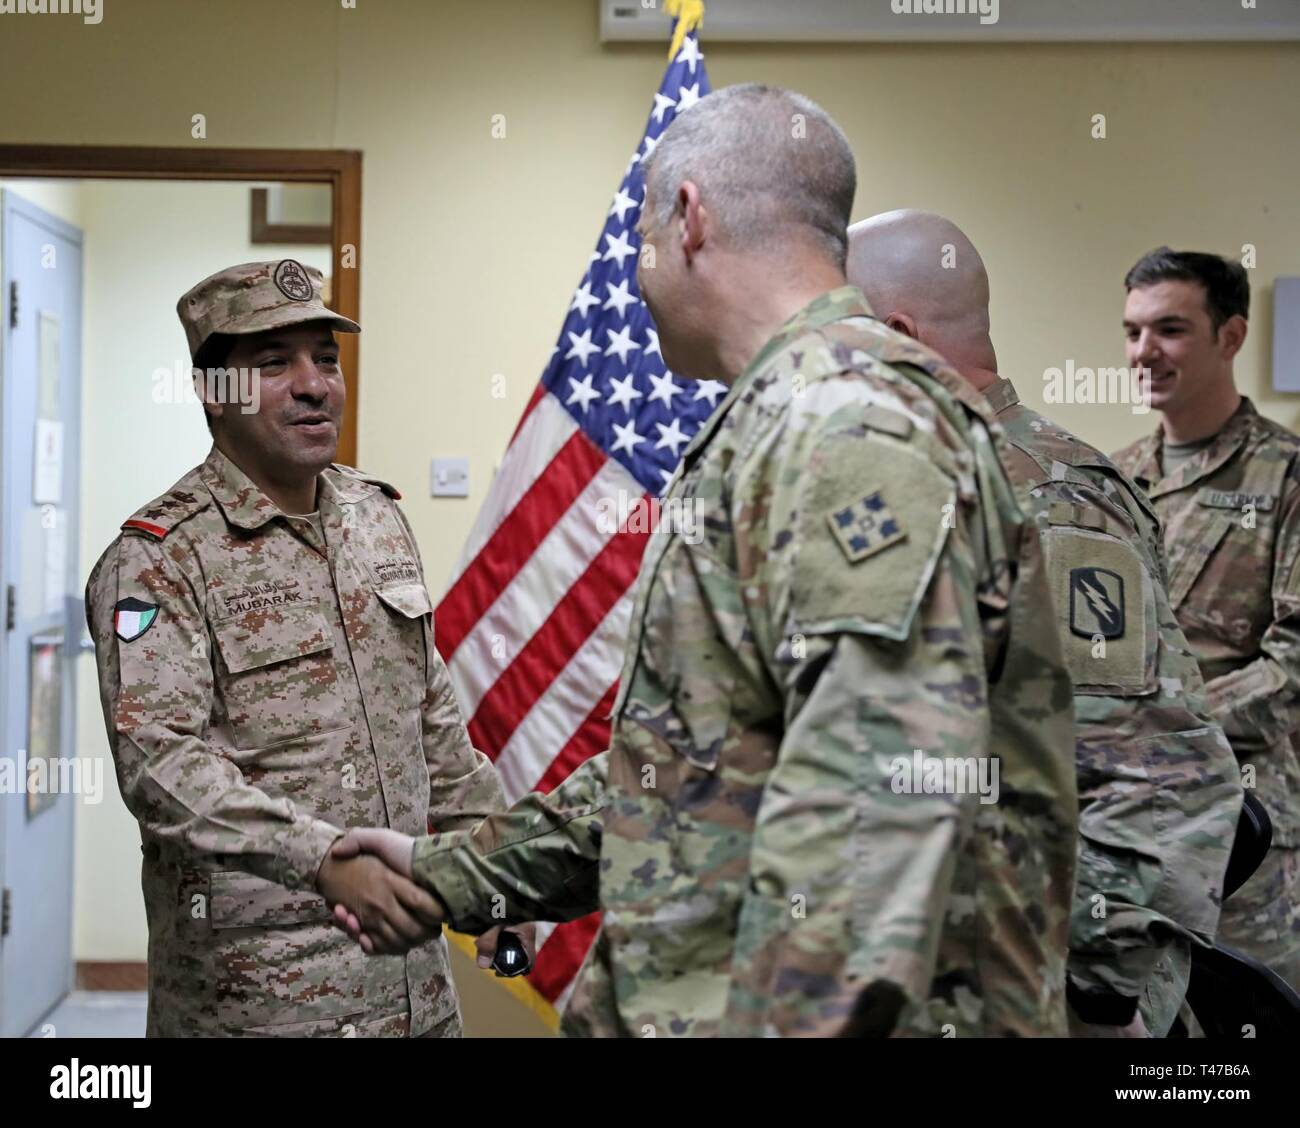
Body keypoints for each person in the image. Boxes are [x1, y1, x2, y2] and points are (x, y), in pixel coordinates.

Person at [329, 84, 1079, 1037]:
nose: (634, 274)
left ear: (687, 217)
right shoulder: (783, 419)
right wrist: (448, 873)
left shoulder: (847, 424)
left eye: (640, 227)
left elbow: (873, 812)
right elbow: (687, 768)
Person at [86, 259, 524, 1037]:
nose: (314, 384)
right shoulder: (157, 559)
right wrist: (322, 858)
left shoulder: (377, 517)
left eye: (325, 358)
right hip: (264, 1008)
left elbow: (433, 727)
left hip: (414, 998)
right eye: (272, 364)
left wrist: (494, 871)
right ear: (212, 391)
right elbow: (160, 765)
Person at [844, 211, 1242, 1037]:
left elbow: (1151, 776)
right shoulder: (936, 482)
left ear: (896, 335)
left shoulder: (1040, 499)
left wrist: (1094, 1002)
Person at [1112, 248, 1300, 989]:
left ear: (1231, 337)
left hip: (1244, 822)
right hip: (1129, 822)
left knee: (1252, 1029)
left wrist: (1169, 721)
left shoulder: (1286, 475)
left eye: (1170, 330)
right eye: (1131, 332)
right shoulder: (1117, 476)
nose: (1143, 352)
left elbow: (1293, 663)